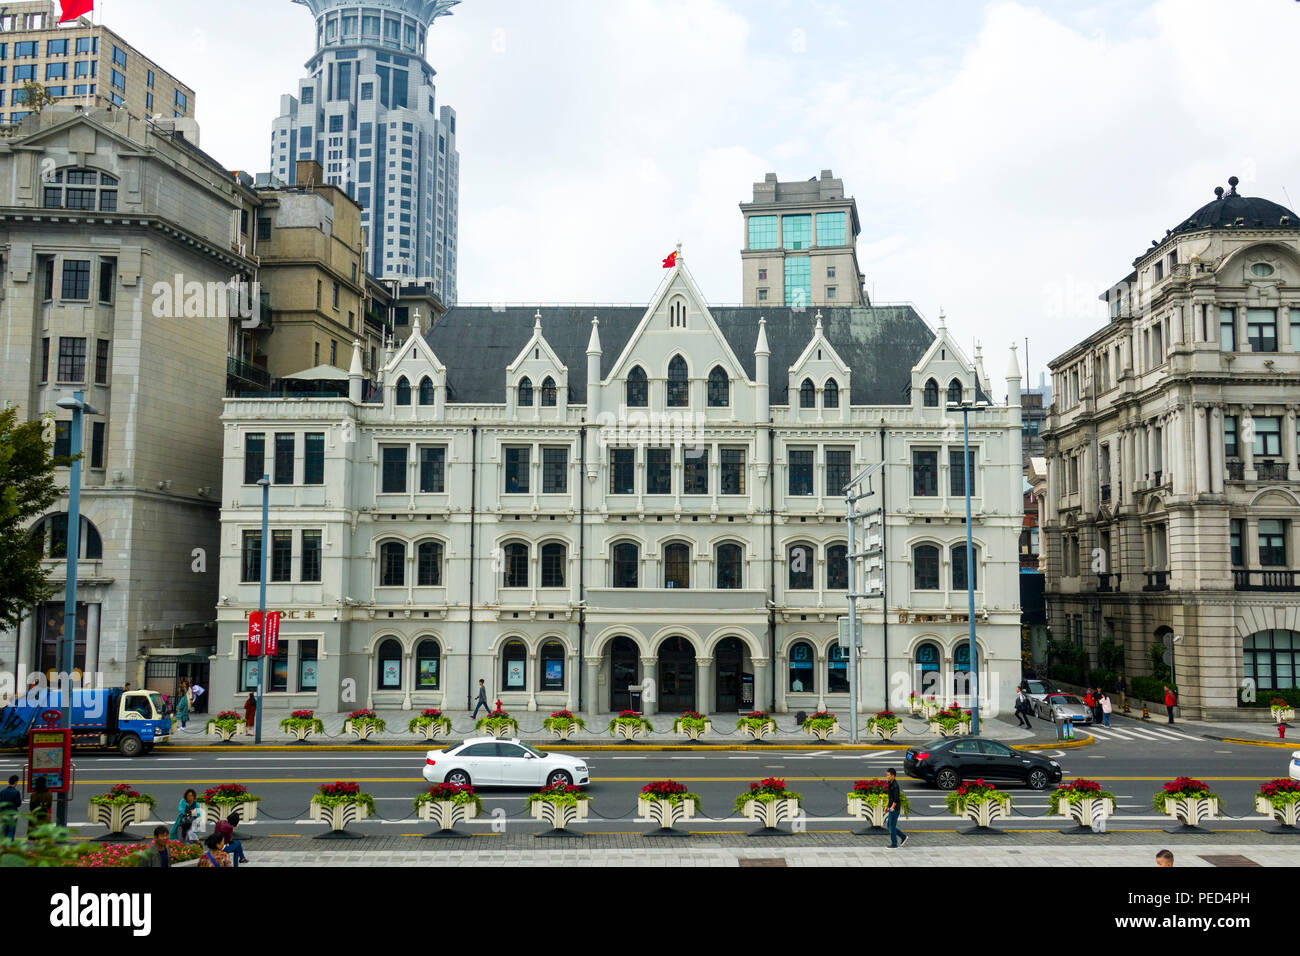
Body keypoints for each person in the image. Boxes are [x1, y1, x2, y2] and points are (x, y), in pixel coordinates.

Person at [885, 768, 908, 848]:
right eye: (887, 775)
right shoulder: (889, 783)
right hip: (891, 807)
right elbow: (889, 797)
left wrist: (892, 808)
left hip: (895, 809)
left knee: (891, 825)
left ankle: (894, 844)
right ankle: (903, 836)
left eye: (888, 775)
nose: (887, 776)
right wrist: (886, 807)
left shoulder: (895, 786)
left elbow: (896, 799)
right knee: (889, 825)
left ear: (893, 776)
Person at [0, 775, 22, 840]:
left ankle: (4, 845)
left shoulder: (2, 791)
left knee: (4, 830)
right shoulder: (16, 792)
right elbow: (18, 804)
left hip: (4, 813)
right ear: (15, 782)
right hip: (13, 813)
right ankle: (9, 845)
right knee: (11, 831)